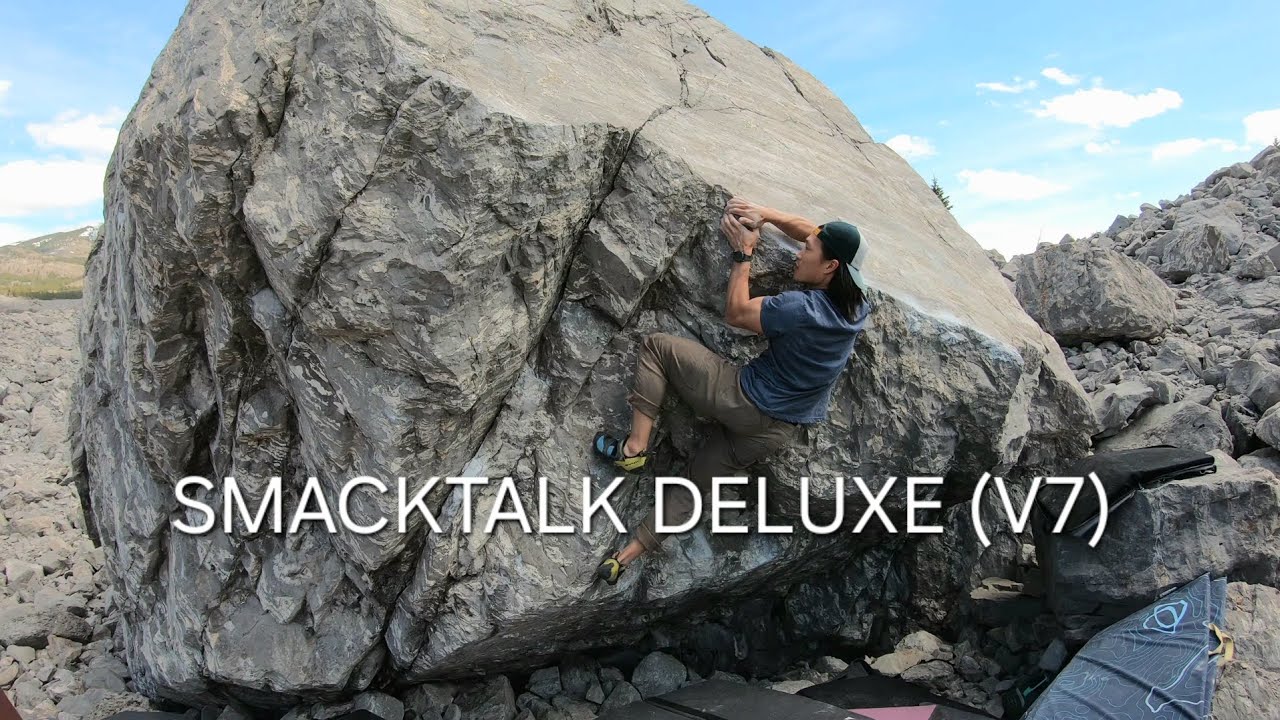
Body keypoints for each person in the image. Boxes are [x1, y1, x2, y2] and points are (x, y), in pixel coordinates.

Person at [591, 197, 874, 584]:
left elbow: (737, 313)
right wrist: (767, 215)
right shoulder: (856, 307)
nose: (799, 253)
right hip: (776, 431)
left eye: (807, 250)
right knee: (693, 484)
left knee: (656, 347)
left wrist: (744, 254)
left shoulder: (800, 308)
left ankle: (634, 450)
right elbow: (811, 231)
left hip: (742, 399)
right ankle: (623, 558)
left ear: (830, 267)